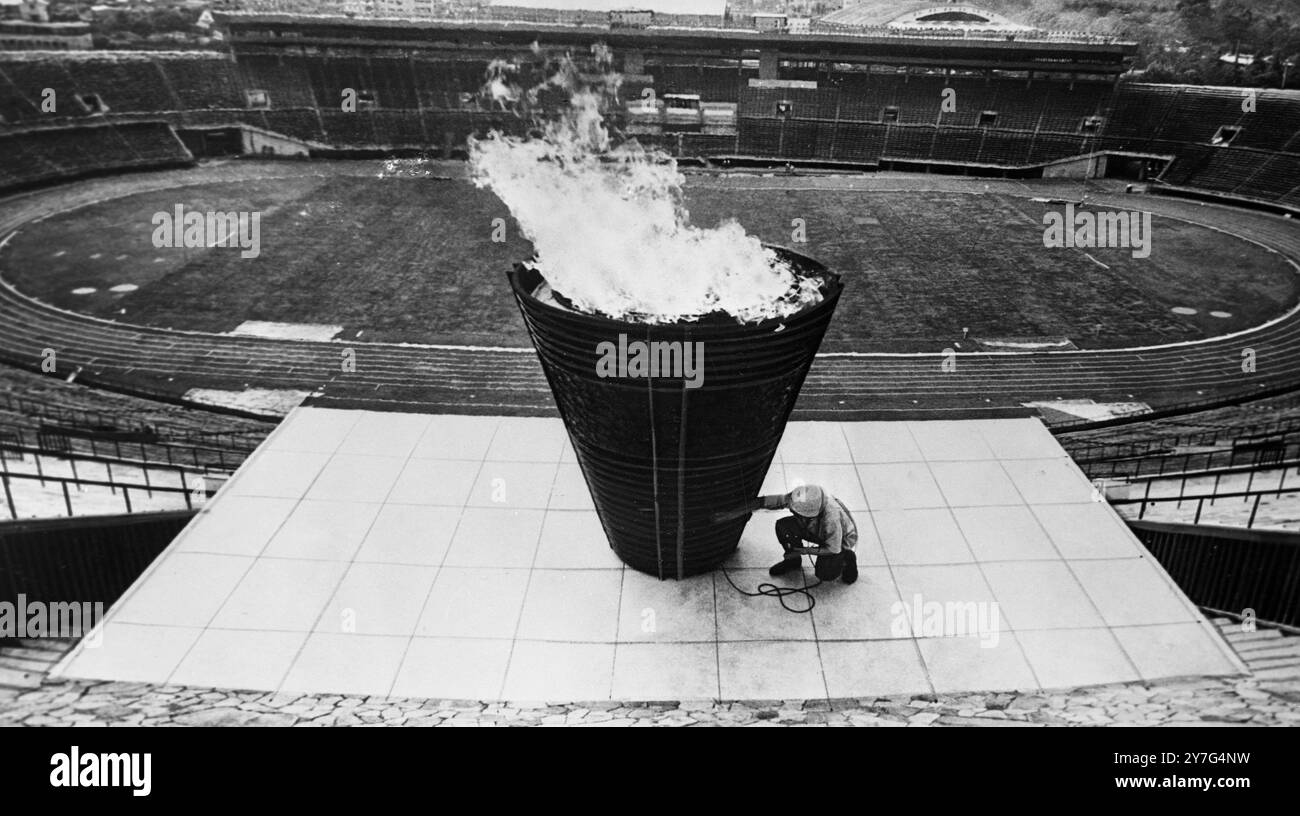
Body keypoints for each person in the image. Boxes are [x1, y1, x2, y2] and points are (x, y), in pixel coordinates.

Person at [713, 484, 858, 584]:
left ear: (811, 515)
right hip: (817, 531)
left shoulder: (831, 519)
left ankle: (847, 558)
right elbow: (763, 502)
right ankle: (793, 562)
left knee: (825, 573)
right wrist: (731, 514)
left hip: (839, 541)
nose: (794, 514)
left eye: (799, 515)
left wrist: (804, 550)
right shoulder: (799, 500)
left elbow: (833, 548)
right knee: (784, 526)